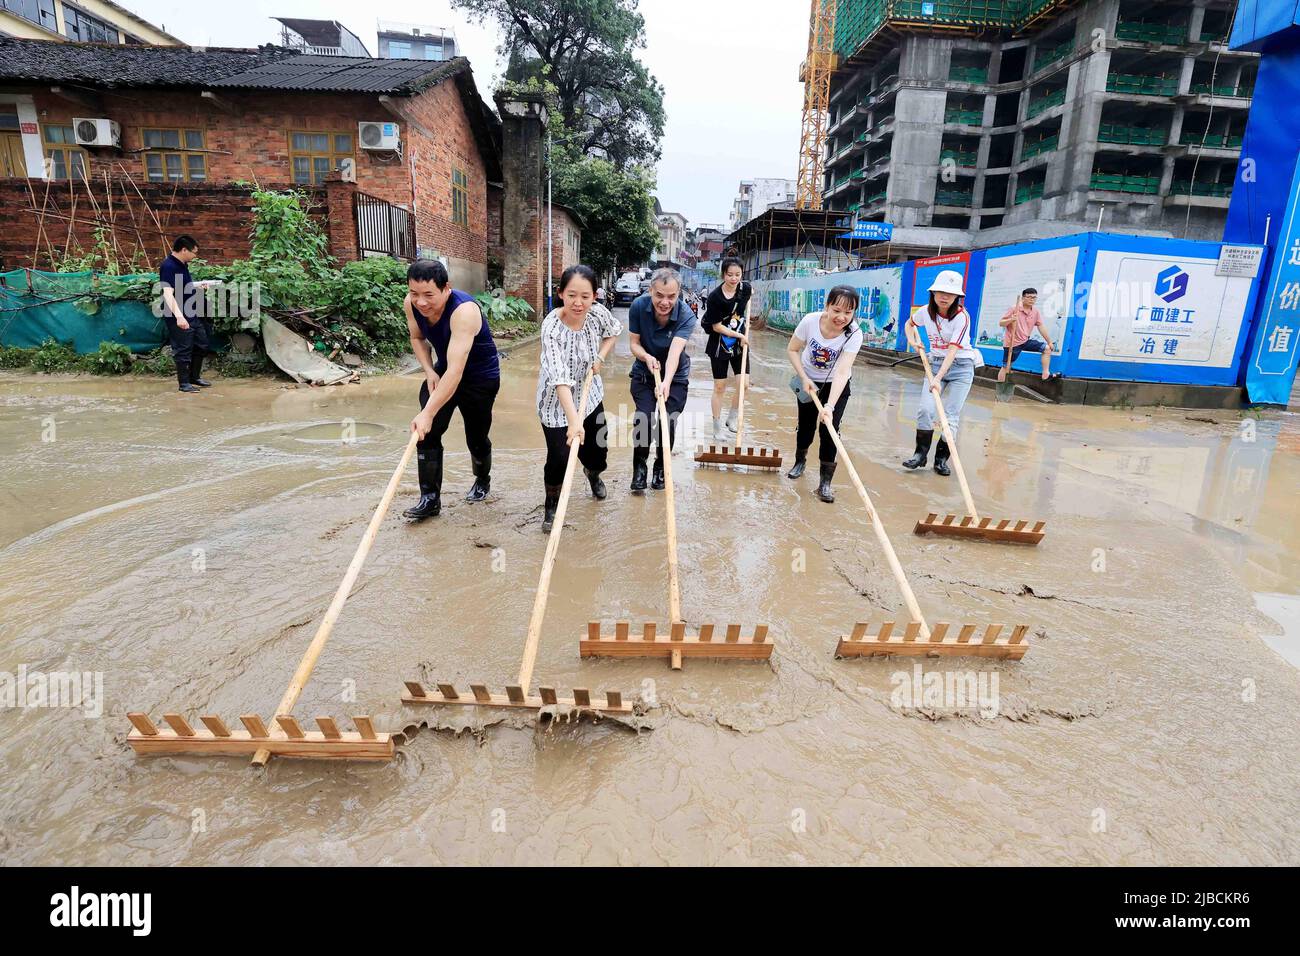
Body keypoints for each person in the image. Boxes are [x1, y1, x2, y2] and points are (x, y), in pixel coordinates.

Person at [403, 259, 501, 520]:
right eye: (414, 294)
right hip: (444, 370)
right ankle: (430, 499)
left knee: (476, 436)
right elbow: (417, 337)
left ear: (446, 288)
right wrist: (429, 371)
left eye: (428, 295)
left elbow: (457, 372)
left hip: (479, 377)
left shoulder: (464, 311)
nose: (420, 302)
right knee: (427, 433)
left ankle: (482, 480)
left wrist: (428, 412)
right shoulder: (411, 304)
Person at [536, 264, 621, 531]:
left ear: (594, 296)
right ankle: (552, 505)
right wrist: (574, 422)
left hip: (589, 395)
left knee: (598, 452)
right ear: (560, 293)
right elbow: (559, 378)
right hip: (555, 403)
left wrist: (600, 357)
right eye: (572, 295)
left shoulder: (597, 315)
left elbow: (613, 333)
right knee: (559, 457)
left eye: (585, 296)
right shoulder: (551, 327)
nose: (578, 303)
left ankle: (592, 473)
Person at [785, 285, 863, 503]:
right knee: (806, 425)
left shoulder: (855, 333)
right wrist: (804, 377)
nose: (841, 317)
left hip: (836, 386)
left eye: (848, 312)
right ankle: (800, 461)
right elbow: (792, 349)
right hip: (808, 380)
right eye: (837, 310)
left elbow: (843, 370)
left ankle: (825, 483)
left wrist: (829, 406)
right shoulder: (810, 321)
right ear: (827, 306)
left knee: (830, 429)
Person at [903, 269, 983, 477]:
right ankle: (920, 454)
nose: (945, 297)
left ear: (958, 296)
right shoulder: (925, 312)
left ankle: (940, 460)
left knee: (950, 418)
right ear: (933, 292)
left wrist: (937, 379)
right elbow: (909, 324)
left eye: (950, 293)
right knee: (925, 410)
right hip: (936, 363)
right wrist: (912, 341)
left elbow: (953, 350)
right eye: (941, 292)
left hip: (961, 367)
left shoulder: (962, 317)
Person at [627, 268, 697, 492]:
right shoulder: (638, 306)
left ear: (678, 294)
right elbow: (634, 344)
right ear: (650, 291)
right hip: (644, 372)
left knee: (667, 421)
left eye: (671, 296)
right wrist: (647, 357)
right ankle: (639, 468)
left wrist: (666, 382)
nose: (665, 302)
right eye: (659, 295)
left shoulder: (686, 315)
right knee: (644, 420)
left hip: (674, 376)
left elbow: (675, 352)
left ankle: (660, 467)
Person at [157, 235, 216, 394]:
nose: (195, 256)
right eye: (194, 253)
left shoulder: (182, 264)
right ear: (184, 250)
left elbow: (182, 287)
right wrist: (179, 317)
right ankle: (184, 384)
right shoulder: (169, 266)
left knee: (201, 344)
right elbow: (168, 294)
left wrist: (198, 287)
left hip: (191, 312)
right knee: (183, 349)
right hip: (178, 314)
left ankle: (194, 377)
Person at [703, 257, 752, 440]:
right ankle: (716, 425)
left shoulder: (745, 288)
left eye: (737, 274)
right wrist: (739, 335)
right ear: (723, 274)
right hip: (719, 344)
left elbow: (749, 298)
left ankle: (732, 418)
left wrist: (742, 331)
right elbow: (716, 326)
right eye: (730, 275)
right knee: (720, 386)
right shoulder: (715, 297)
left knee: (744, 384)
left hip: (739, 344)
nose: (733, 278)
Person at [998, 287, 1054, 381]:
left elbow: (1041, 326)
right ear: (1023, 298)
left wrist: (1049, 341)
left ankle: (1045, 373)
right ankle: (1000, 390)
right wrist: (1011, 319)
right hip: (1012, 343)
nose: (1032, 299)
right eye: (1029, 297)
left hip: (1025, 340)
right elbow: (1001, 323)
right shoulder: (1014, 308)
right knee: (1006, 367)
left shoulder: (1035, 311)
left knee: (1047, 349)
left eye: (1034, 297)